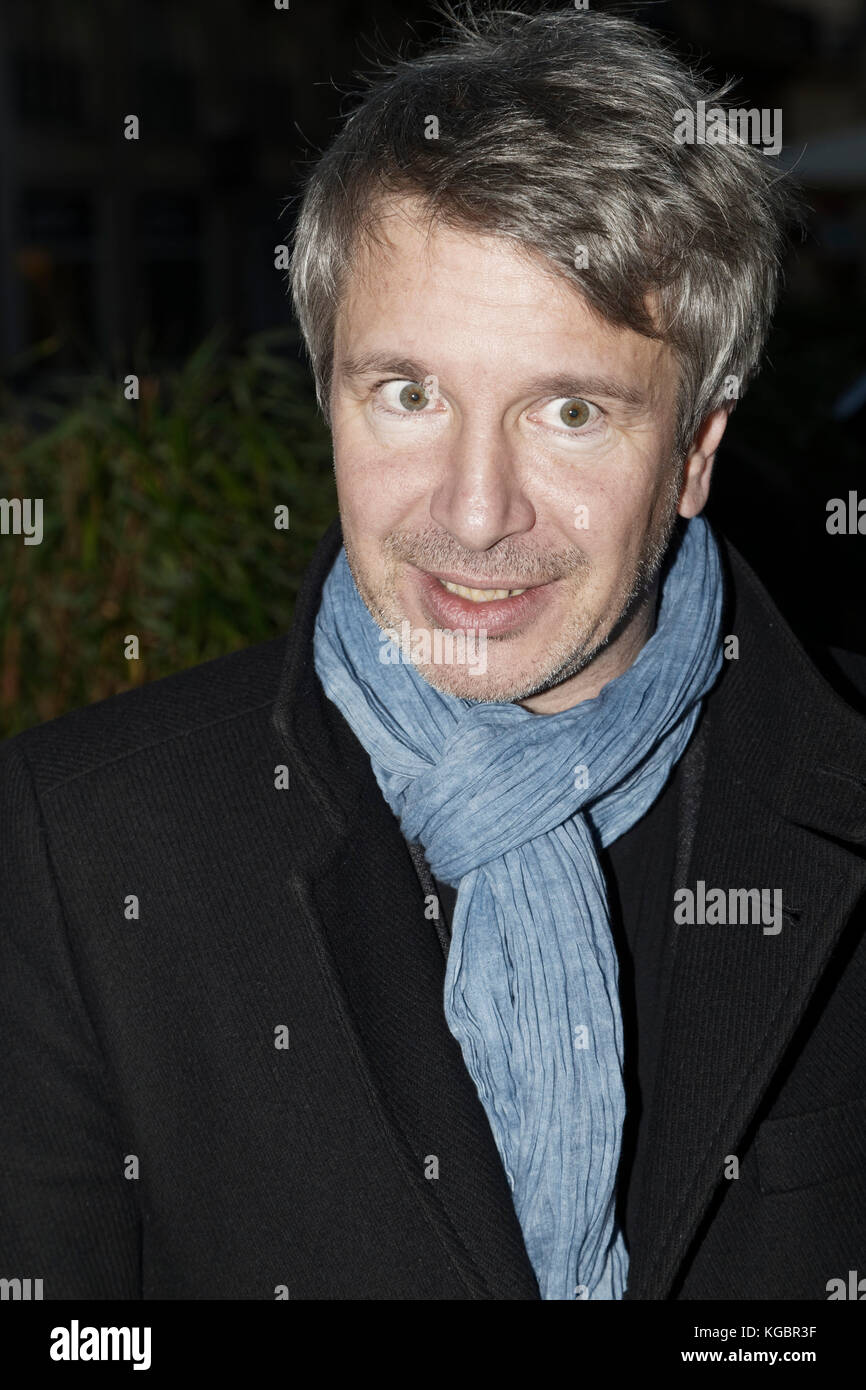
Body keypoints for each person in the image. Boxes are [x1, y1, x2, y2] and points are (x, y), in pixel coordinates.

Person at [2, 6, 864, 1302]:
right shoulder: (81, 846)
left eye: (568, 411)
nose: (472, 511)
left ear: (693, 449)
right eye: (408, 393)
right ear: (327, 390)